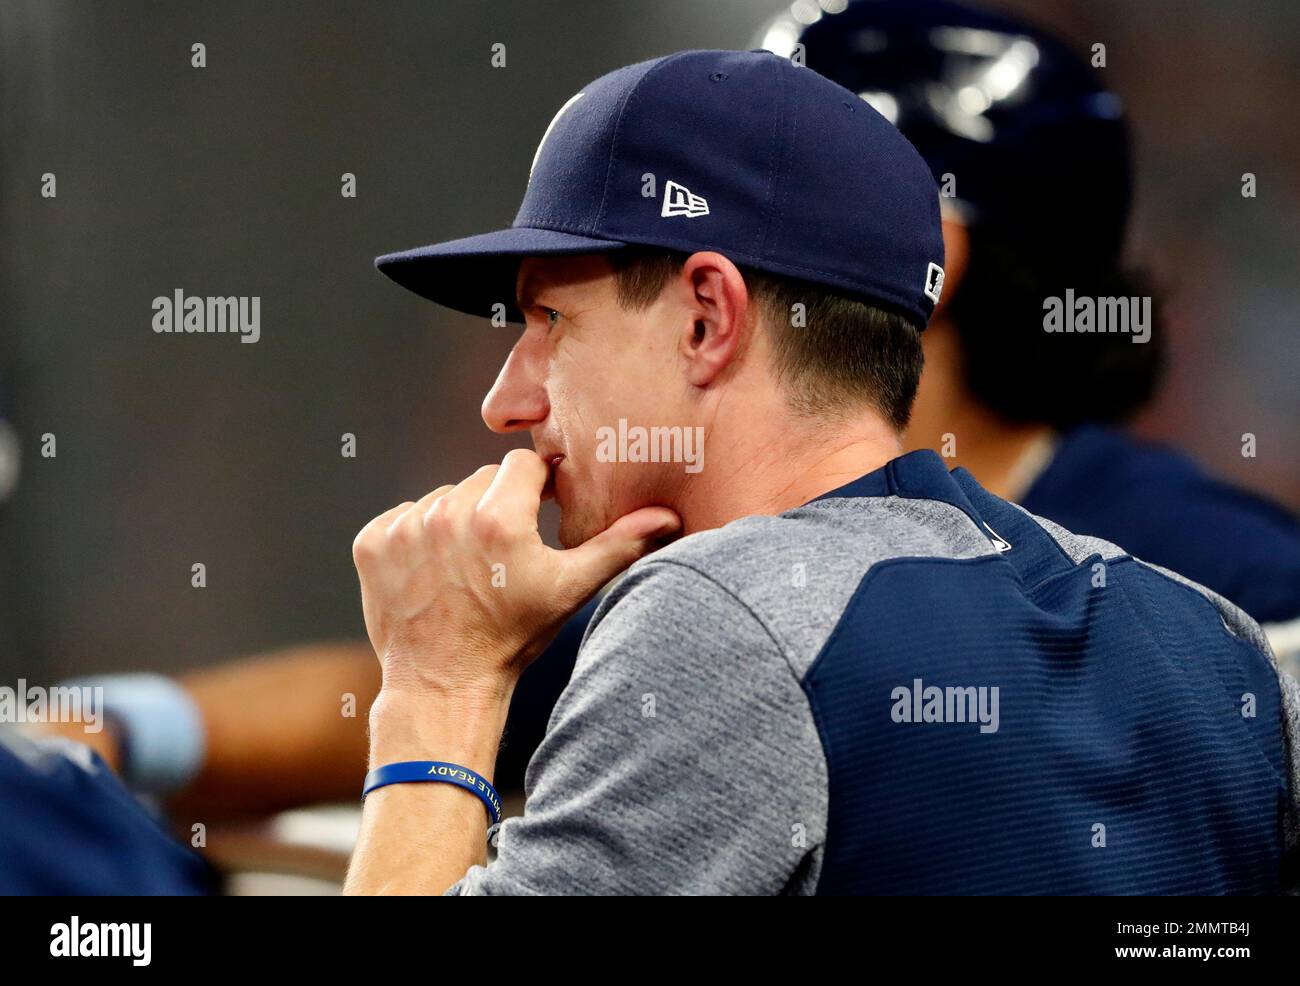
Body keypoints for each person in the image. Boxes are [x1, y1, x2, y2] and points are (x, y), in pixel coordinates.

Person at [339, 49, 1299, 894]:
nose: (505, 403)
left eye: (550, 322)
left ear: (707, 319)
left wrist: (436, 690)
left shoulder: (715, 615)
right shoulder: (1209, 636)